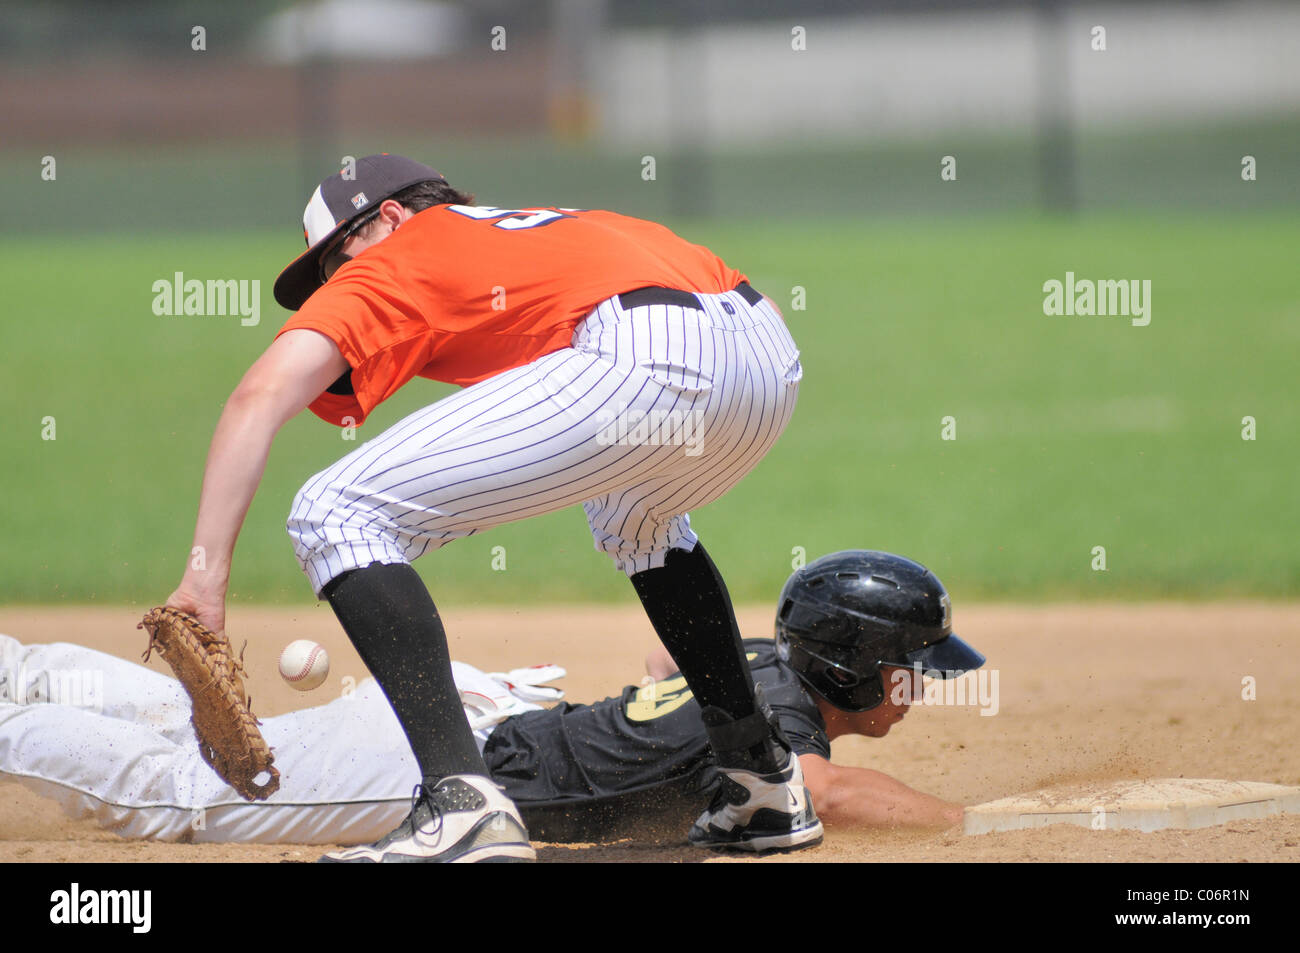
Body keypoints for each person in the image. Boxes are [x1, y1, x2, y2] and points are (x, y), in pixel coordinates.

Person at [163, 154, 813, 861]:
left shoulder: (399, 253)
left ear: (388, 217)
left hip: (646, 358)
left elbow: (257, 397)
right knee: (637, 519)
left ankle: (460, 800)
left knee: (333, 511)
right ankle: (762, 783)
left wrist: (204, 576)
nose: (332, 282)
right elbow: (747, 309)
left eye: (333, 261)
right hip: (767, 359)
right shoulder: (549, 226)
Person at [1, 551, 984, 847]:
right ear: (855, 666)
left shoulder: (758, 664)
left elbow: (660, 653)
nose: (917, 688)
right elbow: (828, 795)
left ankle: (25, 666)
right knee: (178, 792)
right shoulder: (772, 721)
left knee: (200, 736)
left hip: (470, 714)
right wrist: (965, 826)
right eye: (909, 666)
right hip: (442, 767)